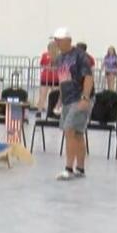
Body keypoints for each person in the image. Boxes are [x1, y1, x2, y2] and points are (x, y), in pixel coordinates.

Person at [51, 28, 94, 181]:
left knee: (69, 130)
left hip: (79, 97)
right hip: (68, 99)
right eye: (55, 40)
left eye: (58, 40)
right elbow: (63, 81)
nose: (56, 43)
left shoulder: (80, 56)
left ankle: (68, 168)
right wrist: (60, 101)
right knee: (77, 133)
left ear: (67, 40)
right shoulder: (60, 58)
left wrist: (85, 97)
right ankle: (80, 168)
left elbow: (88, 77)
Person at [36, 40, 59, 112]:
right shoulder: (58, 56)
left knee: (44, 96)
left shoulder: (47, 55)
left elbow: (42, 65)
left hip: (49, 78)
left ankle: (41, 111)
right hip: (51, 78)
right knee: (50, 96)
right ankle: (49, 111)